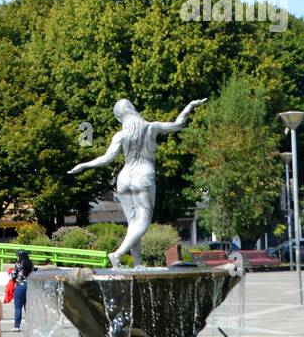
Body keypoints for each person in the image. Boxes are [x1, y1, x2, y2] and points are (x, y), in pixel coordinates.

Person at [69, 97, 207, 267]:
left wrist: (83, 165)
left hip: (125, 177)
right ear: (133, 110)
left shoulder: (121, 134)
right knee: (143, 222)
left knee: (133, 225)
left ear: (120, 118)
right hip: (143, 175)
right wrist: (190, 106)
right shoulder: (151, 127)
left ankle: (137, 263)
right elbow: (178, 124)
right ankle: (118, 254)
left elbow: (107, 158)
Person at [10, 250, 35, 331]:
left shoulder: (18, 264)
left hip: (20, 286)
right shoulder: (31, 264)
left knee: (18, 307)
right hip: (29, 286)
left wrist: (11, 273)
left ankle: (17, 326)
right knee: (28, 307)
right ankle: (31, 326)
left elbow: (13, 276)